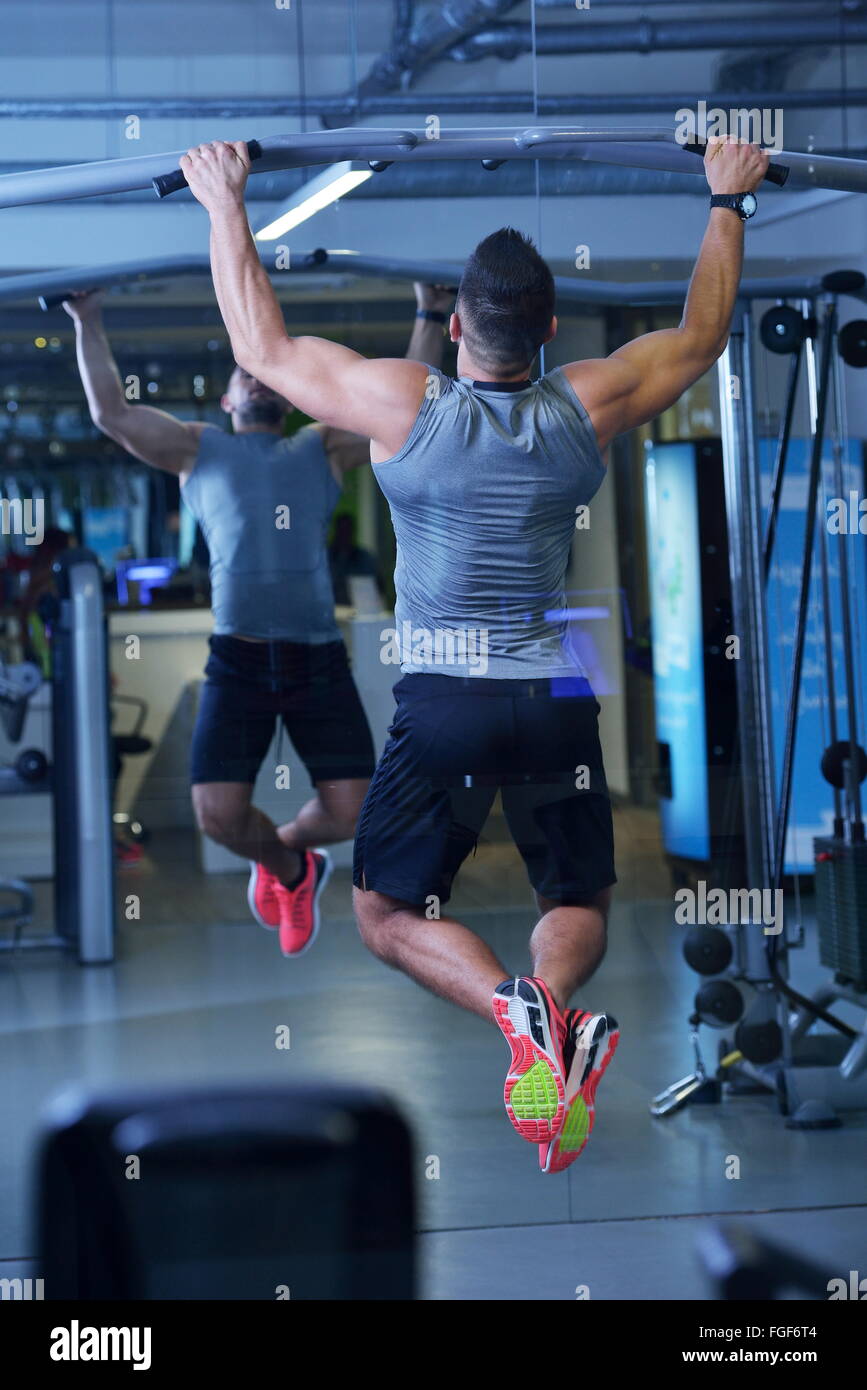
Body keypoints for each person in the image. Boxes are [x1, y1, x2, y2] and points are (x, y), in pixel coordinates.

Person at [181, 134, 769, 1170]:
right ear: (548, 330)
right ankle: (550, 1010)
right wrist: (726, 201)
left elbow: (264, 349)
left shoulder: (405, 407)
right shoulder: (584, 402)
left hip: (444, 699)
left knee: (381, 912)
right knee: (577, 897)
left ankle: (515, 1011)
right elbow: (699, 336)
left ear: (453, 326)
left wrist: (226, 202)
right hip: (552, 695)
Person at [64, 283, 449, 956]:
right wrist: (86, 316)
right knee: (217, 817)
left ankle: (294, 854)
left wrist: (429, 312)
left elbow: (406, 405)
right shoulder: (195, 449)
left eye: (264, 372)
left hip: (317, 658)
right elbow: (112, 414)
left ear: (286, 394)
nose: (254, 381)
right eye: (244, 375)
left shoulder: (321, 448)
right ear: (228, 400)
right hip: (237, 662)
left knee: (352, 812)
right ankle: (287, 870)